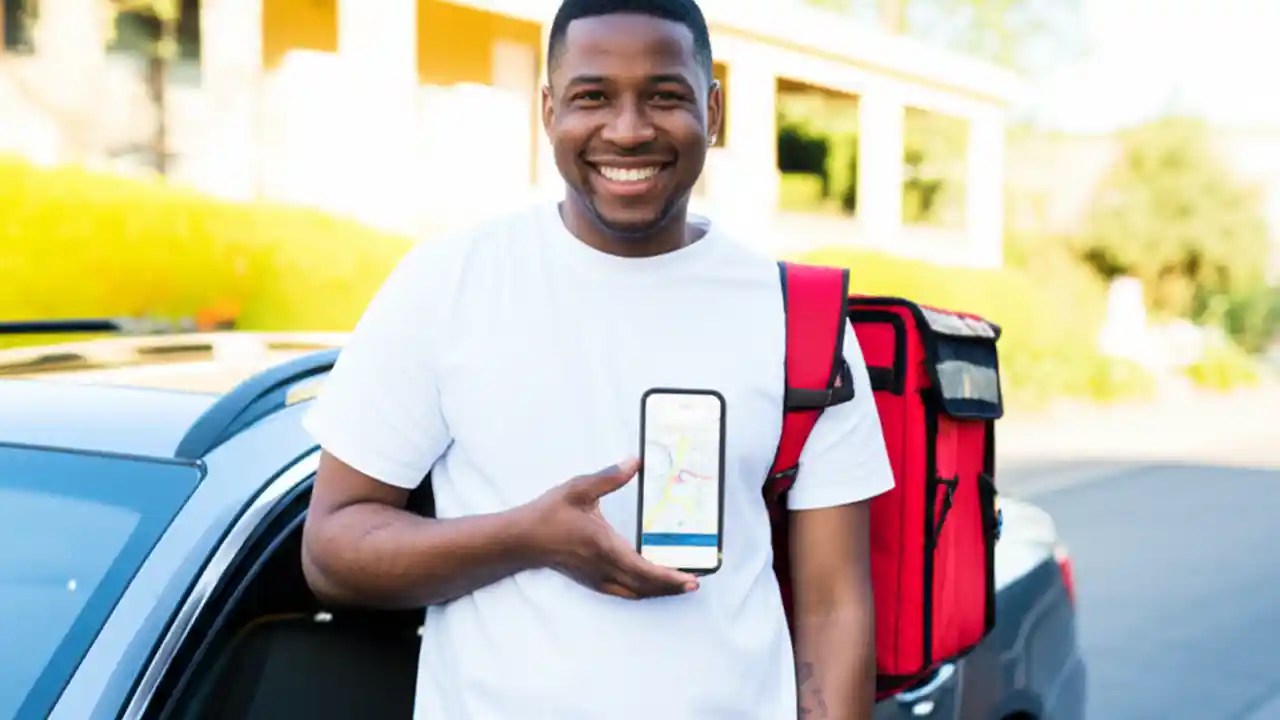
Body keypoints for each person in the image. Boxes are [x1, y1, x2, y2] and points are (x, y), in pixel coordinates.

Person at [299, 0, 894, 717]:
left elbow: (834, 610)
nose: (629, 129)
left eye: (665, 96)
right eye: (593, 96)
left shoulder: (800, 317)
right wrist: (528, 538)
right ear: (549, 110)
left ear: (715, 111)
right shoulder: (448, 283)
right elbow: (332, 552)